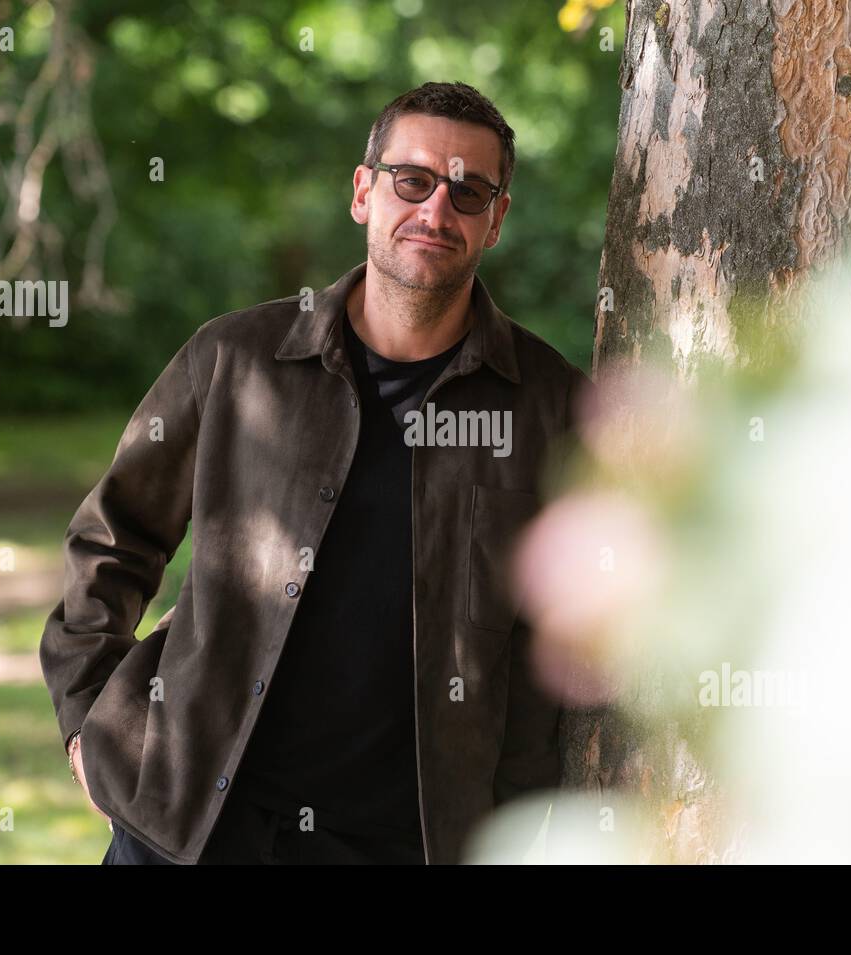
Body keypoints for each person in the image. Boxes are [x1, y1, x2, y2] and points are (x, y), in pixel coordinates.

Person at [40, 81, 593, 865]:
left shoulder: (550, 406)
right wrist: (86, 717)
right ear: (363, 191)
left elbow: (563, 632)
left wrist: (513, 813)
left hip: (401, 844)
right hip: (188, 825)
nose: (438, 211)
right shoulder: (234, 359)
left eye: (470, 191)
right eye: (414, 180)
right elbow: (115, 536)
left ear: (496, 219)